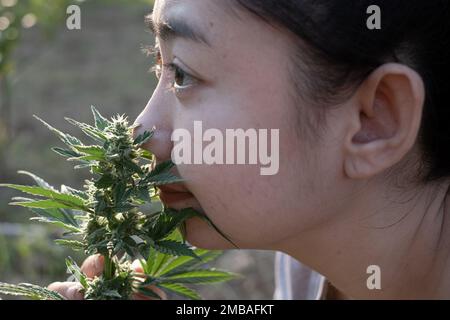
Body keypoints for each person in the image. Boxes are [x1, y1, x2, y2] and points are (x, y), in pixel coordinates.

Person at [49, 0, 450, 299]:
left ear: (372, 121)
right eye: (160, 65)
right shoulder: (307, 264)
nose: (143, 130)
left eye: (184, 73)